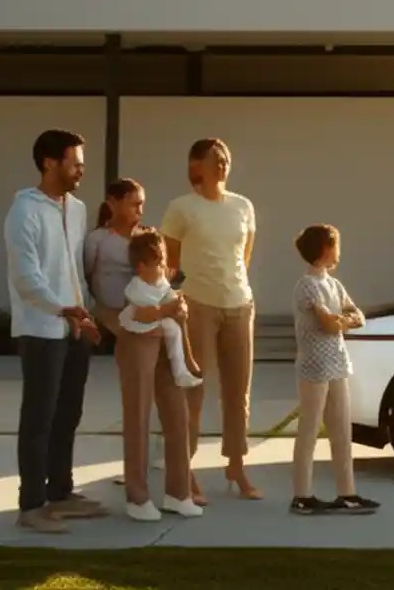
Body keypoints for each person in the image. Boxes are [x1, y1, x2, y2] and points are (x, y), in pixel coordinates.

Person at [5, 129, 106, 533]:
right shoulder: (23, 211)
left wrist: (83, 314)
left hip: (75, 327)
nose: (81, 167)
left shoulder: (77, 209)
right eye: (74, 160)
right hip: (41, 327)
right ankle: (31, 505)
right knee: (39, 418)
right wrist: (61, 308)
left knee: (68, 414)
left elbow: (72, 269)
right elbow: (26, 276)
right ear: (50, 163)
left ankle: (61, 493)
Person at [84, 178, 201, 522]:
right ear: (113, 203)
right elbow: (87, 281)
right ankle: (137, 496)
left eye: (142, 203)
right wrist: (104, 317)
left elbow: (166, 277)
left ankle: (178, 492)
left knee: (176, 411)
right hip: (130, 328)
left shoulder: (148, 237)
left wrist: (176, 304)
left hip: (161, 326)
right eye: (134, 203)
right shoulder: (97, 241)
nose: (140, 210)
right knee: (137, 414)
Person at [161, 138, 261, 503]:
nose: (222, 164)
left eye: (226, 159)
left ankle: (236, 464)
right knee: (194, 392)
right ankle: (185, 472)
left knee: (238, 393)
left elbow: (244, 256)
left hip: (239, 304)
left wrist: (235, 292)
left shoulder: (243, 206)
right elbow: (170, 266)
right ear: (196, 166)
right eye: (215, 159)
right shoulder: (181, 208)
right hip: (198, 305)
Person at [289, 224, 378, 515]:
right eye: (336, 245)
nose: (339, 252)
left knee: (341, 429)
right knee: (310, 428)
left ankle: (347, 492)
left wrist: (343, 320)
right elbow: (327, 323)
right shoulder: (307, 285)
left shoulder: (334, 284)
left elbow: (357, 315)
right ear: (325, 249)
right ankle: (302, 494)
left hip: (337, 362)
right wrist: (339, 321)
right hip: (314, 365)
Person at [120, 231, 202, 389]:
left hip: (159, 324)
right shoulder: (136, 287)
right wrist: (167, 308)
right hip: (141, 328)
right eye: (158, 265)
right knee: (141, 381)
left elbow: (169, 296)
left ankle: (181, 372)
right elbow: (147, 311)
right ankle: (180, 371)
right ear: (141, 267)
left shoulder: (161, 283)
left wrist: (178, 304)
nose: (163, 268)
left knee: (174, 330)